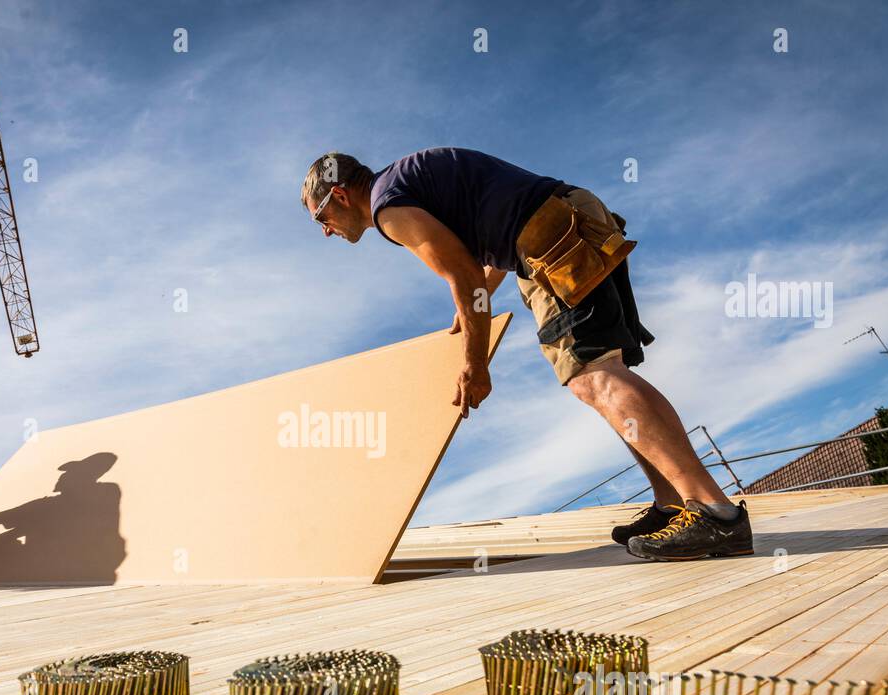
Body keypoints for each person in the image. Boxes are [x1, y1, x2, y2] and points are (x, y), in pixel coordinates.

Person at [300, 147, 753, 561]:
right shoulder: (405, 180)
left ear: (340, 195)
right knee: (603, 374)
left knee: (593, 376)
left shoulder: (388, 207)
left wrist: (475, 363)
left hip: (551, 238)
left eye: (320, 216)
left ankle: (715, 514)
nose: (324, 231)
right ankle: (673, 502)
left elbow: (464, 277)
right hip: (567, 224)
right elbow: (489, 245)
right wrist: (472, 306)